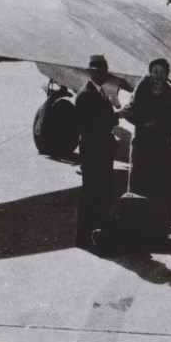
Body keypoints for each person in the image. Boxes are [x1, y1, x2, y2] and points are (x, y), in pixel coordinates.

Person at [74, 54, 123, 248]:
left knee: (100, 193)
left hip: (101, 151)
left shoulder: (98, 92)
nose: (103, 74)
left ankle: (95, 233)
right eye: (99, 71)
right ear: (90, 72)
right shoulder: (86, 94)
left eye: (104, 71)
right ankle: (83, 237)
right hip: (94, 153)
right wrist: (117, 116)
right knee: (91, 195)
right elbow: (92, 125)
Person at [123, 57, 171, 202]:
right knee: (140, 187)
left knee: (160, 187)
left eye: (162, 72)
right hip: (142, 144)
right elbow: (127, 111)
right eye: (155, 72)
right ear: (150, 73)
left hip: (162, 145)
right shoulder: (141, 91)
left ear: (167, 74)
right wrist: (143, 124)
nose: (159, 75)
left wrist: (163, 126)